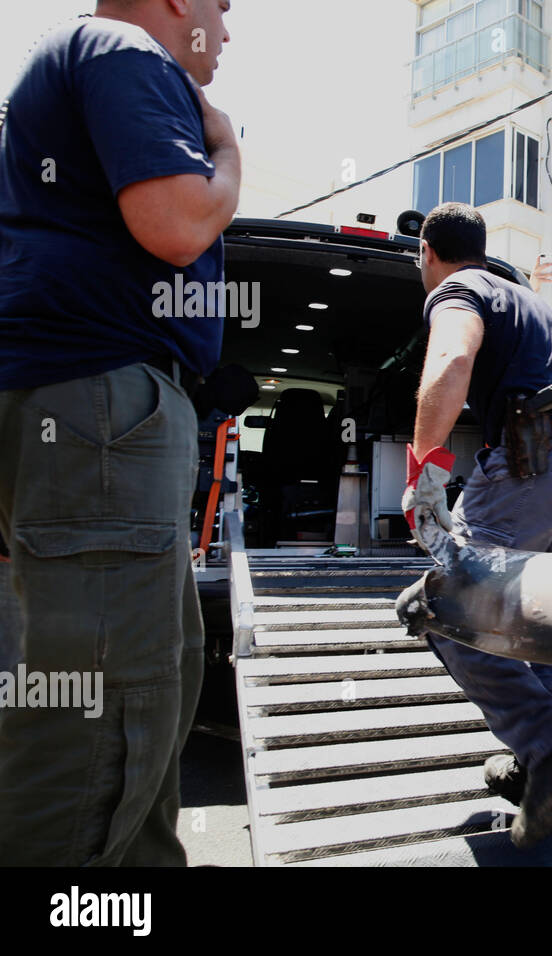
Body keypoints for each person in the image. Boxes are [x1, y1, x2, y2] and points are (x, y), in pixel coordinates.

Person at [0, 0, 238, 866]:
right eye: (222, 4)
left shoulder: (77, 61)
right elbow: (178, 223)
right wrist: (229, 154)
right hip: (100, 409)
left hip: (88, 411)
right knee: (104, 711)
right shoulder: (124, 49)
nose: (227, 24)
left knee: (156, 679)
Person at [404, 202, 552, 849]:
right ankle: (540, 768)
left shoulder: (457, 291)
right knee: (531, 613)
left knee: (444, 606)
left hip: (539, 453)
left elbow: (448, 364)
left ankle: (551, 741)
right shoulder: (520, 295)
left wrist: (424, 471)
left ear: (427, 251)